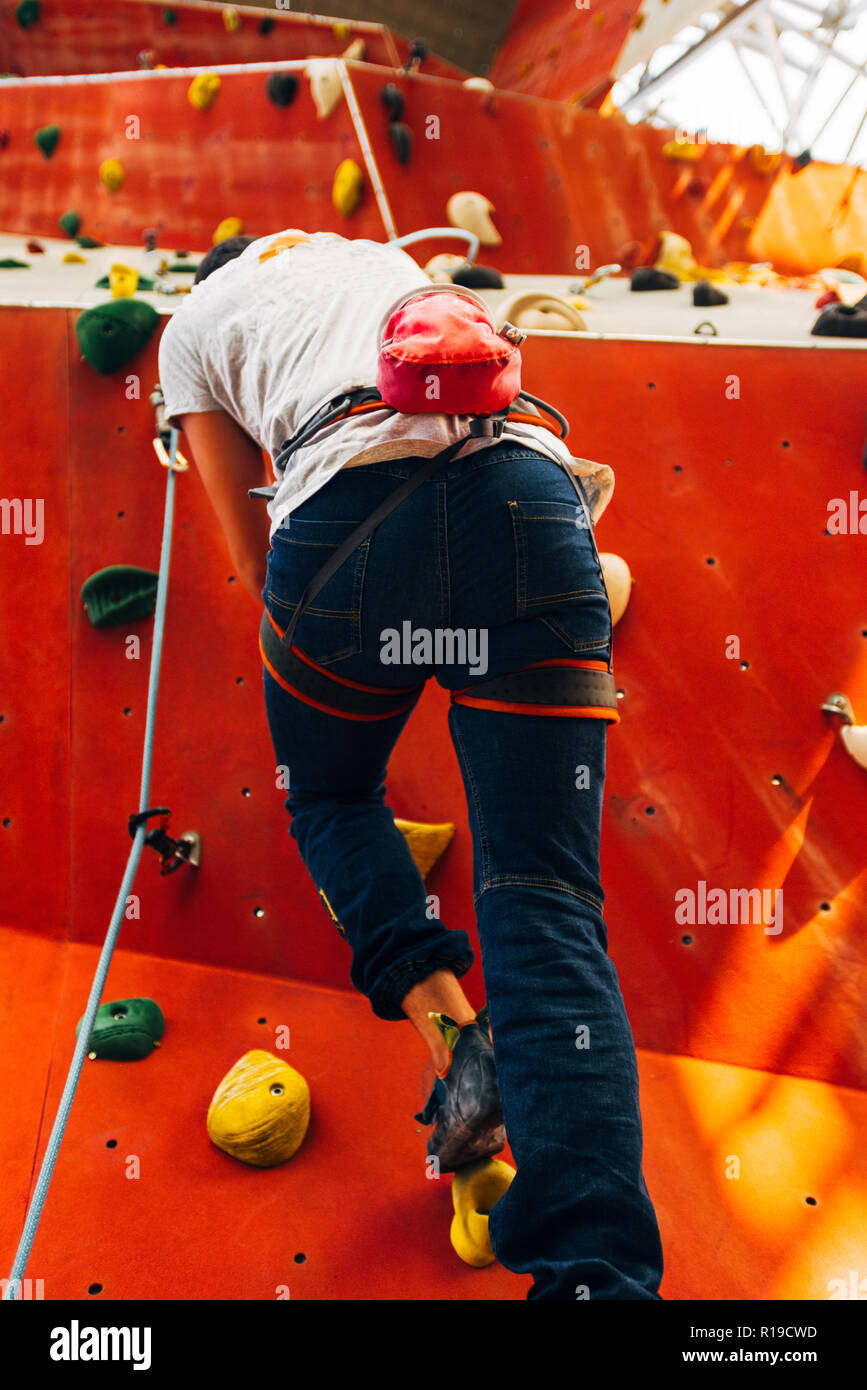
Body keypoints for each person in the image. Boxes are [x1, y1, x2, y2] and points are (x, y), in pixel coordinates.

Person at [157, 228, 664, 1299]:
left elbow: (250, 562)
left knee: (334, 793)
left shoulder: (194, 327)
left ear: (213, 275)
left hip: (344, 540)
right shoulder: (367, 252)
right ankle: (598, 1279)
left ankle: (450, 1032)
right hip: (532, 500)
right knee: (548, 899)